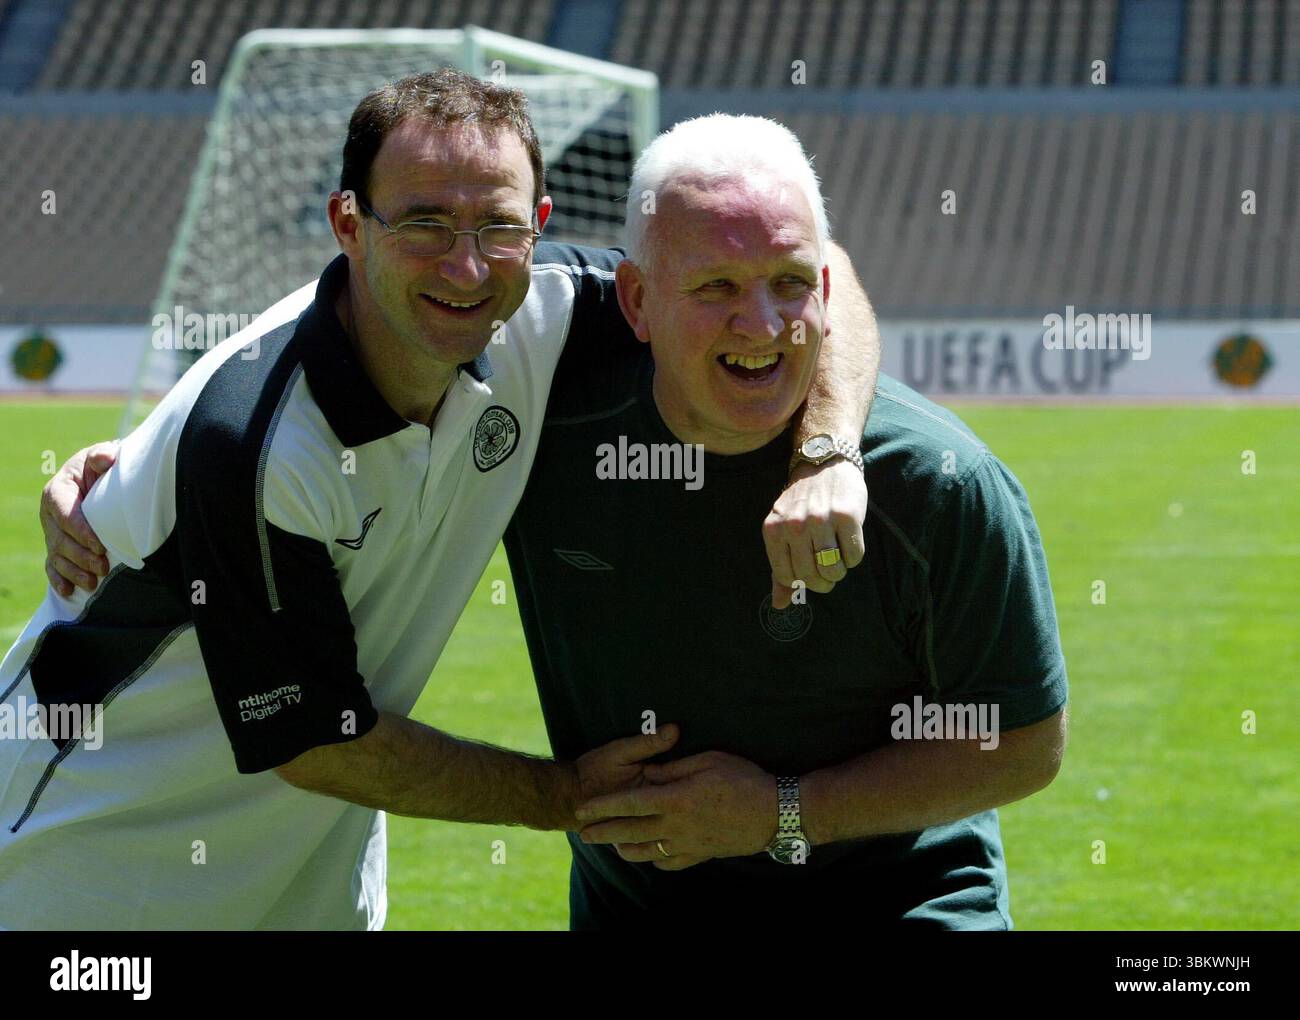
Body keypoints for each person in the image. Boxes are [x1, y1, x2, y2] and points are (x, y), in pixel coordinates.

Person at [1, 73, 879, 931]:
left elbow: (812, 263)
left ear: (538, 228)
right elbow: (315, 739)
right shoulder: (257, 442)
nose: (465, 265)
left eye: (497, 226)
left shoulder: (549, 312)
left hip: (315, 872)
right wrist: (563, 795)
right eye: (424, 223)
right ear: (350, 222)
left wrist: (829, 455)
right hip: (90, 856)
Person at [503, 114, 1070, 928]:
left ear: (827, 293)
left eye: (789, 283)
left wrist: (782, 813)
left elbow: (1025, 743)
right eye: (716, 288)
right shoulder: (540, 423)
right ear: (637, 300)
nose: (762, 325)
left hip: (906, 906)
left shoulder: (939, 482)